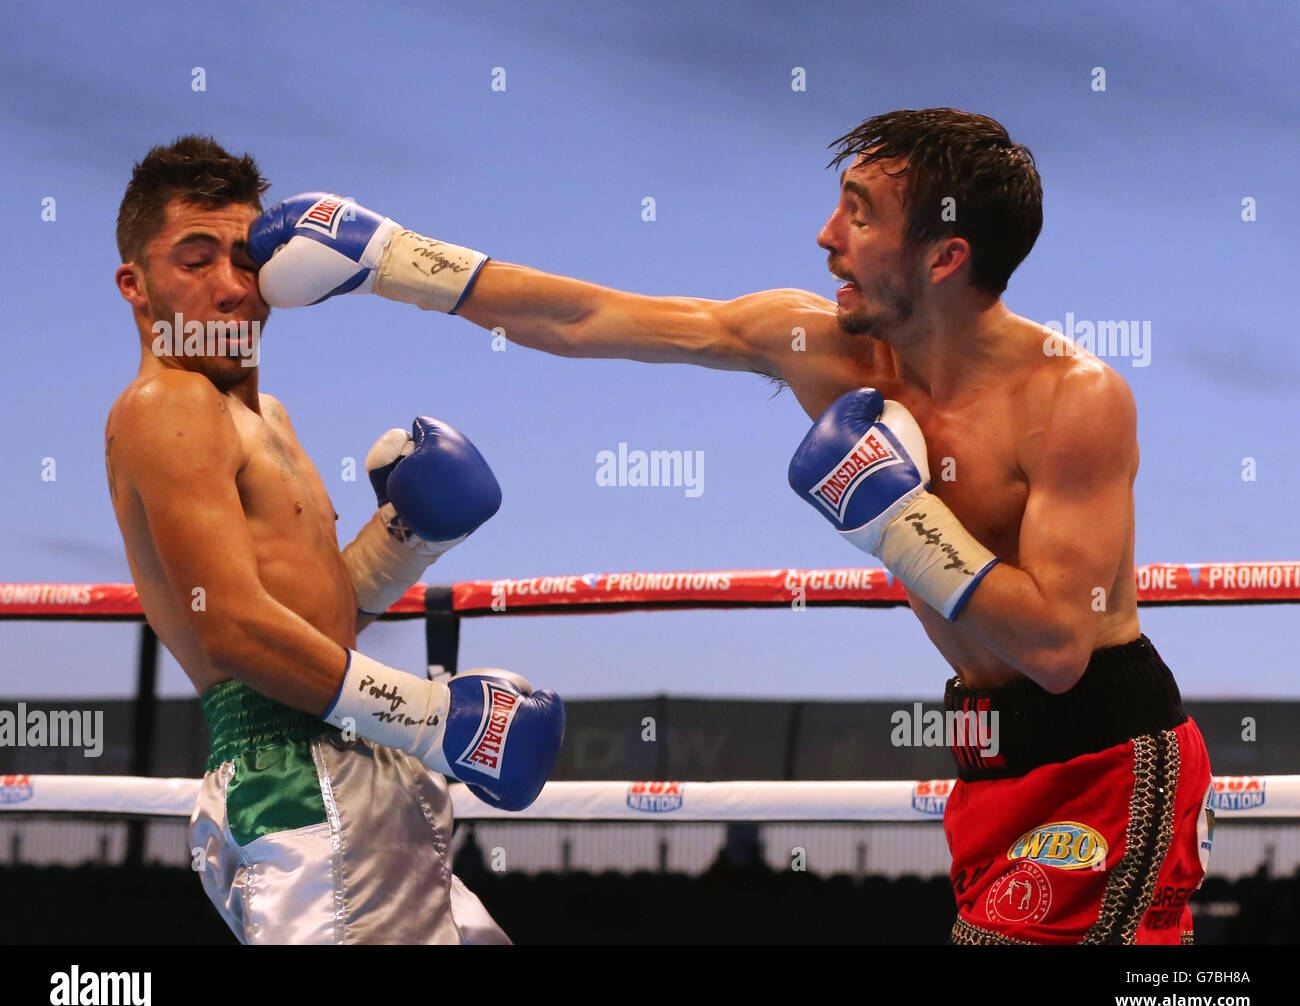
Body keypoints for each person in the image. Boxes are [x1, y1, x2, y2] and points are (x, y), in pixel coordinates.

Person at [247, 108, 1213, 945]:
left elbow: (1054, 646)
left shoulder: (1074, 398)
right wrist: (390, 258)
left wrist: (899, 518)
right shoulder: (817, 344)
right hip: (988, 757)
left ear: (946, 255)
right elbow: (590, 317)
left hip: (1107, 760)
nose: (828, 235)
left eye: (863, 214)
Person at [105, 135, 564, 944]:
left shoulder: (261, 417)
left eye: (246, 259)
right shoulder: (168, 404)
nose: (229, 287)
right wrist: (433, 719)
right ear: (135, 287)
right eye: (194, 259)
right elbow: (237, 628)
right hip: (296, 770)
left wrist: (403, 539)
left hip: (350, 760)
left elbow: (318, 608)